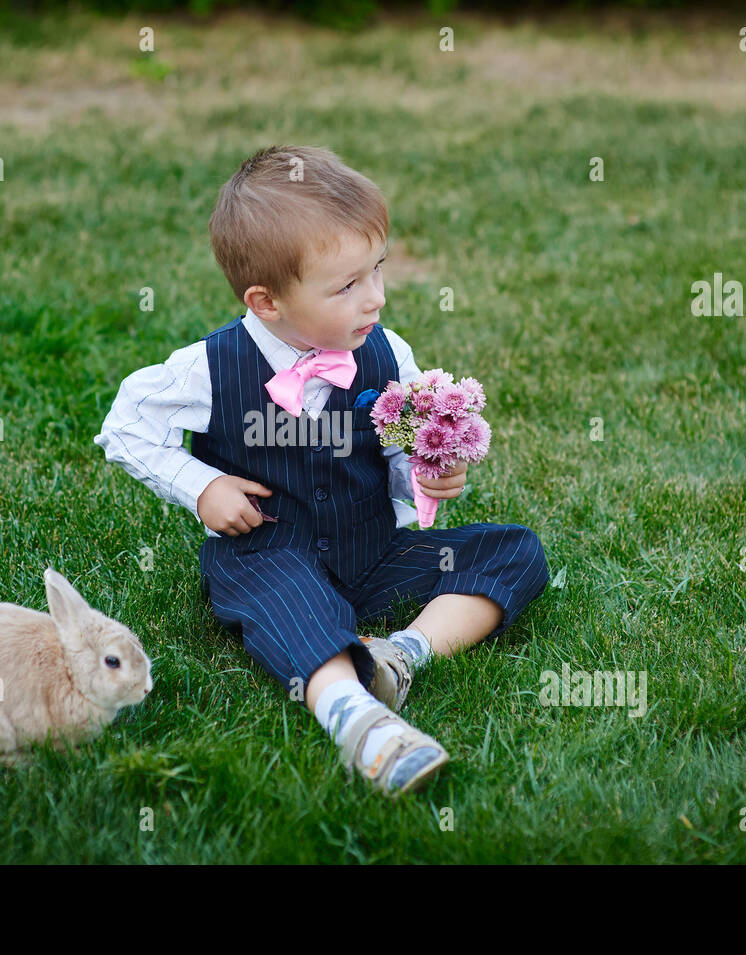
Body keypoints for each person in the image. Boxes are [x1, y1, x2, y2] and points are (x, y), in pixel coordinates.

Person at [95, 145, 549, 796]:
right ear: (267, 301)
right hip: (268, 552)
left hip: (372, 554)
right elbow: (126, 425)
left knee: (515, 550)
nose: (376, 299)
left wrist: (428, 476)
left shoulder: (387, 355)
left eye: (377, 270)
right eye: (347, 286)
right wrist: (202, 486)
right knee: (289, 599)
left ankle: (401, 653)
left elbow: (401, 452)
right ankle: (358, 719)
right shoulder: (211, 366)